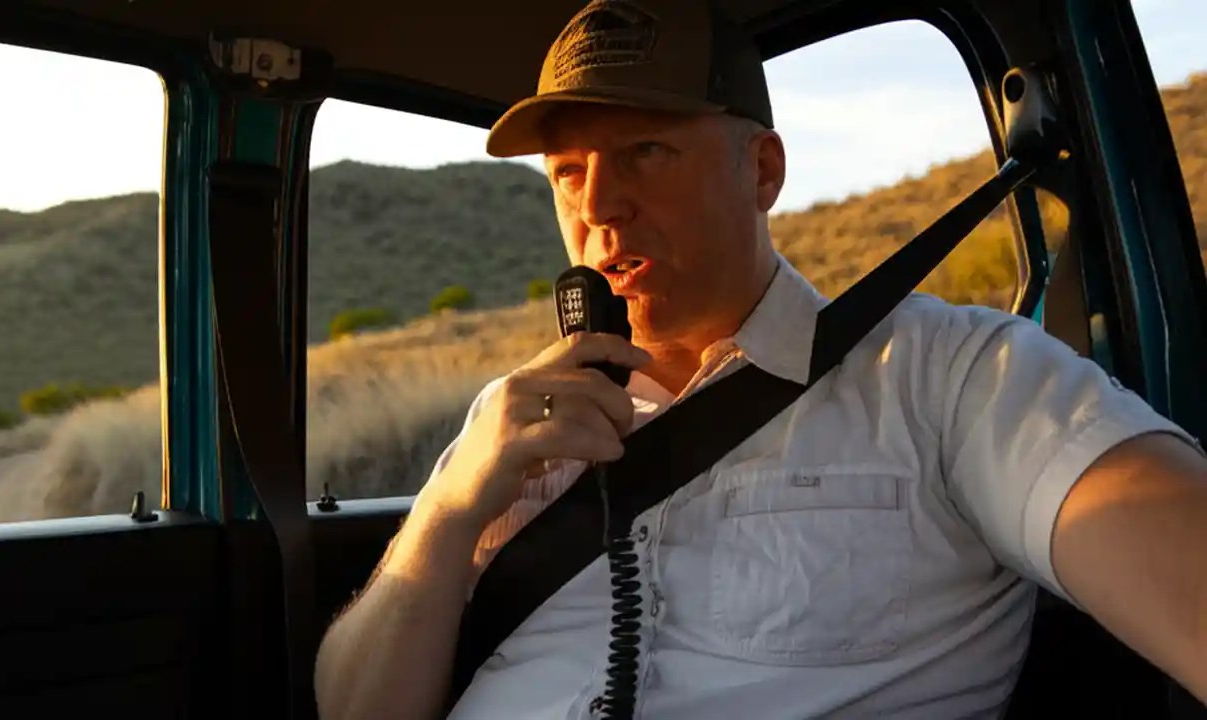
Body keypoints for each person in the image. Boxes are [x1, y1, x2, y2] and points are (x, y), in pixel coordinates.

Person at [313, 0, 1207, 717]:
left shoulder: (948, 377)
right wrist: (446, 516)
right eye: (567, 171)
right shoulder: (511, 425)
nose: (600, 206)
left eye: (645, 151)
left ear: (763, 173)